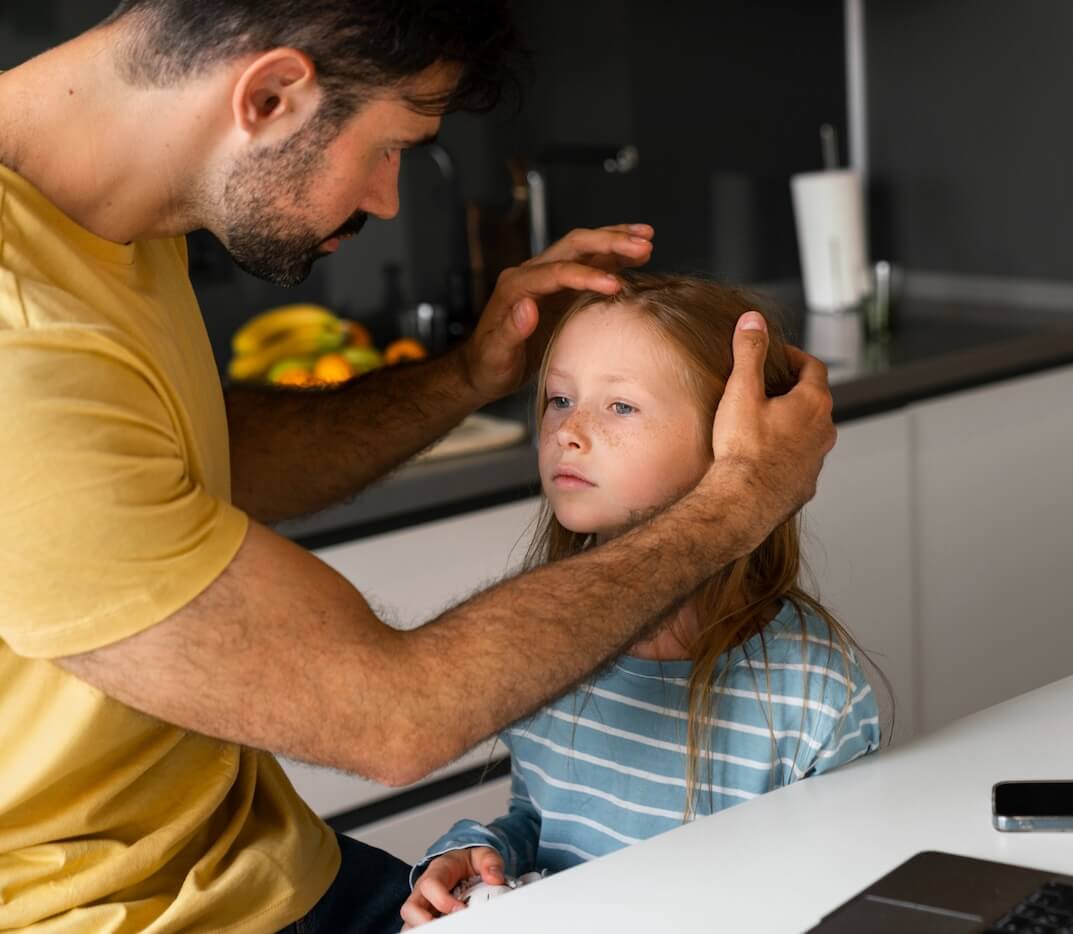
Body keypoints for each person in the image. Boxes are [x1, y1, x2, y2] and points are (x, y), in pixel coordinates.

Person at [0, 4, 836, 932]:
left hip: (253, 866)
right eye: (394, 143)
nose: (391, 199)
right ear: (271, 95)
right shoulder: (19, 348)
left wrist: (468, 377)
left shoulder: (106, 214)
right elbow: (394, 717)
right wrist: (739, 501)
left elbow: (191, 461)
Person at [398, 275, 882, 927]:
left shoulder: (813, 695)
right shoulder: (544, 652)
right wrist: (475, 859)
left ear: (738, 441)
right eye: (559, 398)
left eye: (620, 407)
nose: (568, 431)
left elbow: (841, 895)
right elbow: (541, 820)